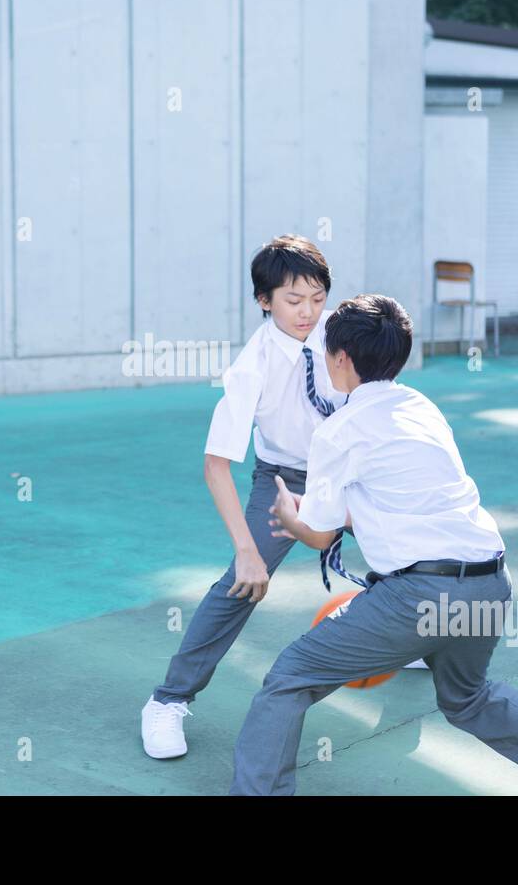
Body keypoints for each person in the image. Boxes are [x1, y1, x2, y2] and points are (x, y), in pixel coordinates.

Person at [229, 294, 518, 795]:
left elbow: (319, 534)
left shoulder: (337, 432)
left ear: (340, 358)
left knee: (291, 676)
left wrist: (287, 516)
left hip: (419, 597)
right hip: (491, 583)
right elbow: (406, 504)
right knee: (468, 699)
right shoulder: (420, 407)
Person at [141, 237, 422, 760]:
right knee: (239, 586)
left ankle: (419, 635)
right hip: (285, 479)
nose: (308, 312)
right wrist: (247, 549)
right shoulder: (252, 366)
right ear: (265, 300)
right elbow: (216, 464)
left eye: (317, 298)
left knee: (413, 544)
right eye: (294, 300)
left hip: (352, 465)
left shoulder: (338, 330)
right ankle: (168, 700)